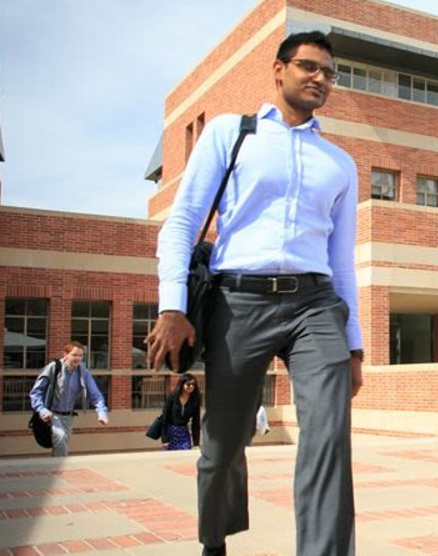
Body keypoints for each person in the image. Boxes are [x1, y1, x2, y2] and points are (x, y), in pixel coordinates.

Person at [145, 31, 363, 556]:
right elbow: (183, 223)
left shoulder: (340, 163)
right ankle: (214, 542)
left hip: (315, 303)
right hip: (238, 299)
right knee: (221, 444)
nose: (320, 79)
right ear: (278, 69)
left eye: (329, 73)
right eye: (309, 67)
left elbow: (341, 262)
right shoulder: (230, 133)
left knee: (330, 436)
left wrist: (354, 344)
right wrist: (172, 305)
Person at [28, 341, 109, 457]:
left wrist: (101, 412)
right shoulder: (53, 368)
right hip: (52, 414)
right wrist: (41, 410)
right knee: (60, 438)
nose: (78, 358)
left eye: (81, 355)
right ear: (65, 354)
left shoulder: (83, 372)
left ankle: (56, 468)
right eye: (75, 355)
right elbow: (36, 392)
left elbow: (95, 394)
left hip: (69, 417)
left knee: (62, 444)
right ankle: (63, 469)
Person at [160, 373, 202, 451]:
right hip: (170, 432)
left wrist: (196, 443)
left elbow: (196, 422)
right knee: (171, 460)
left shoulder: (195, 400)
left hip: (184, 433)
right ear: (182, 384)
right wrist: (164, 439)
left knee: (185, 455)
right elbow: (164, 418)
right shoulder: (172, 397)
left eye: (193, 384)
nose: (191, 386)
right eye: (188, 384)